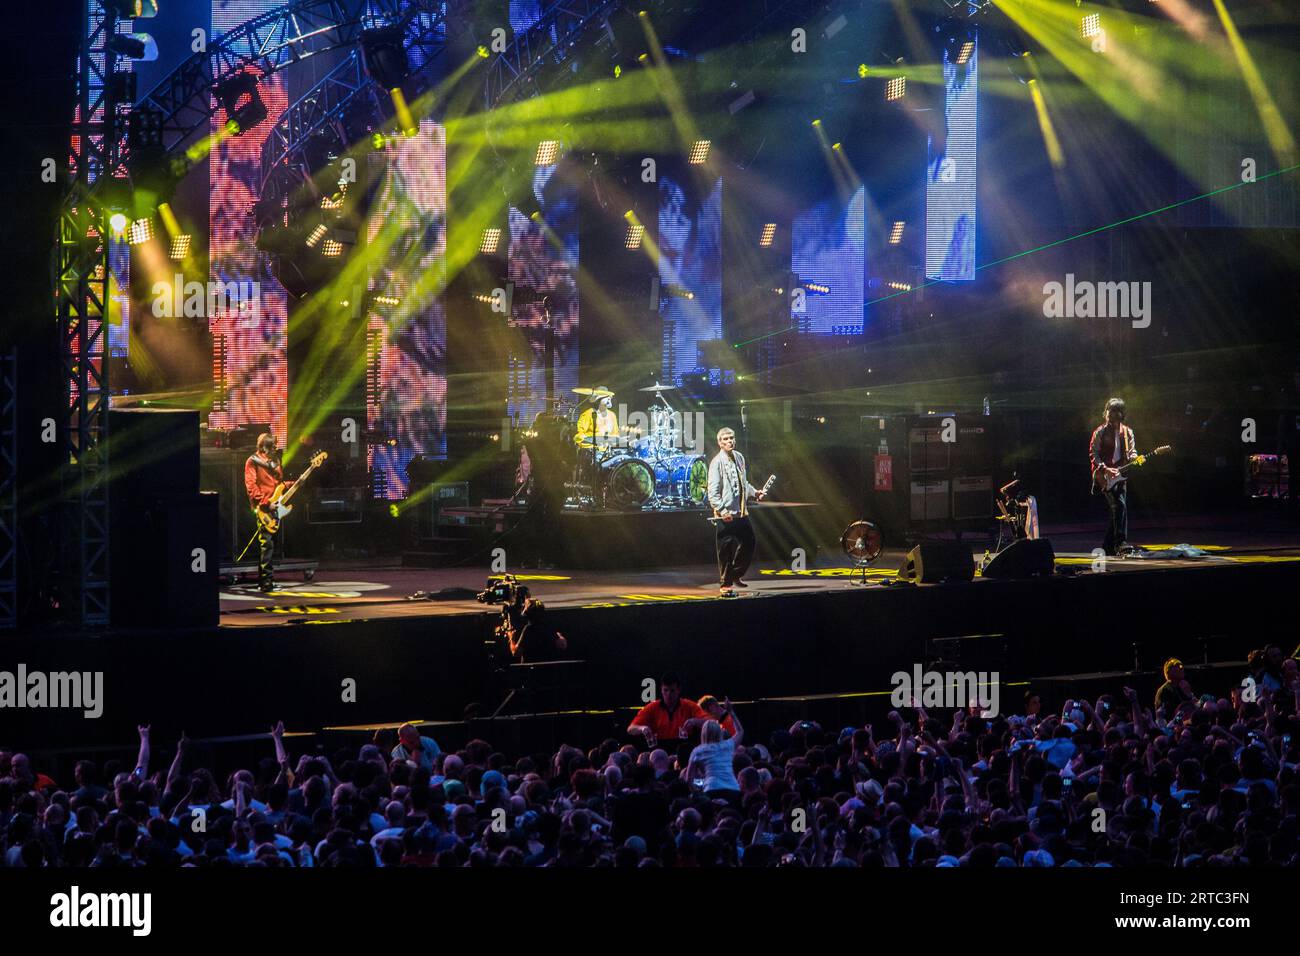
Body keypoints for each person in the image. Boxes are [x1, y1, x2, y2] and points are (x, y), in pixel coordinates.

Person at [707, 426, 766, 597]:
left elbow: (743, 483)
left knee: (749, 542)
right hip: (725, 515)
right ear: (719, 443)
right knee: (725, 550)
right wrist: (722, 510)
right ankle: (726, 584)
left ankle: (734, 575)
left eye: (731, 438)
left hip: (740, 513)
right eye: (725, 439)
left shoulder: (739, 457)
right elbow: (713, 492)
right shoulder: (716, 462)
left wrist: (755, 493)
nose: (729, 441)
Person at [1088, 398, 1139, 556]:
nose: (1109, 414)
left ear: (1121, 414)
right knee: (1119, 506)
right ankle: (1120, 543)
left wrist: (1134, 457)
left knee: (1117, 510)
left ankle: (1107, 546)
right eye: (1108, 410)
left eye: (1113, 411)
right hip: (1104, 476)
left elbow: (1132, 451)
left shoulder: (1128, 432)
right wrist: (1104, 468)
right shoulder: (1100, 432)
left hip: (1121, 475)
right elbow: (1093, 453)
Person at [244, 432, 294, 592]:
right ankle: (266, 582)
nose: (275, 448)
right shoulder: (252, 461)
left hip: (275, 505)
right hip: (263, 508)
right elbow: (251, 486)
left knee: (270, 545)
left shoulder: (275, 461)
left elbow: (278, 483)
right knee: (266, 544)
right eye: (272, 447)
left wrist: (292, 484)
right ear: (263, 447)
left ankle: (267, 580)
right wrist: (266, 503)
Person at [683, 701, 745, 808]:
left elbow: (689, 780)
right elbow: (740, 731)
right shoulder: (728, 745)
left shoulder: (697, 751)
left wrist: (699, 793)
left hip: (711, 789)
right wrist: (731, 713)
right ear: (719, 732)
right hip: (733, 790)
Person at [627, 673, 703, 749]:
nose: (669, 694)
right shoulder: (651, 708)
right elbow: (630, 729)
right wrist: (642, 728)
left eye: (672, 691)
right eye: (665, 690)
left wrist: (695, 721)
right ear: (661, 690)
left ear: (678, 690)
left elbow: (711, 722)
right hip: (659, 753)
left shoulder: (689, 706)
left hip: (683, 753)